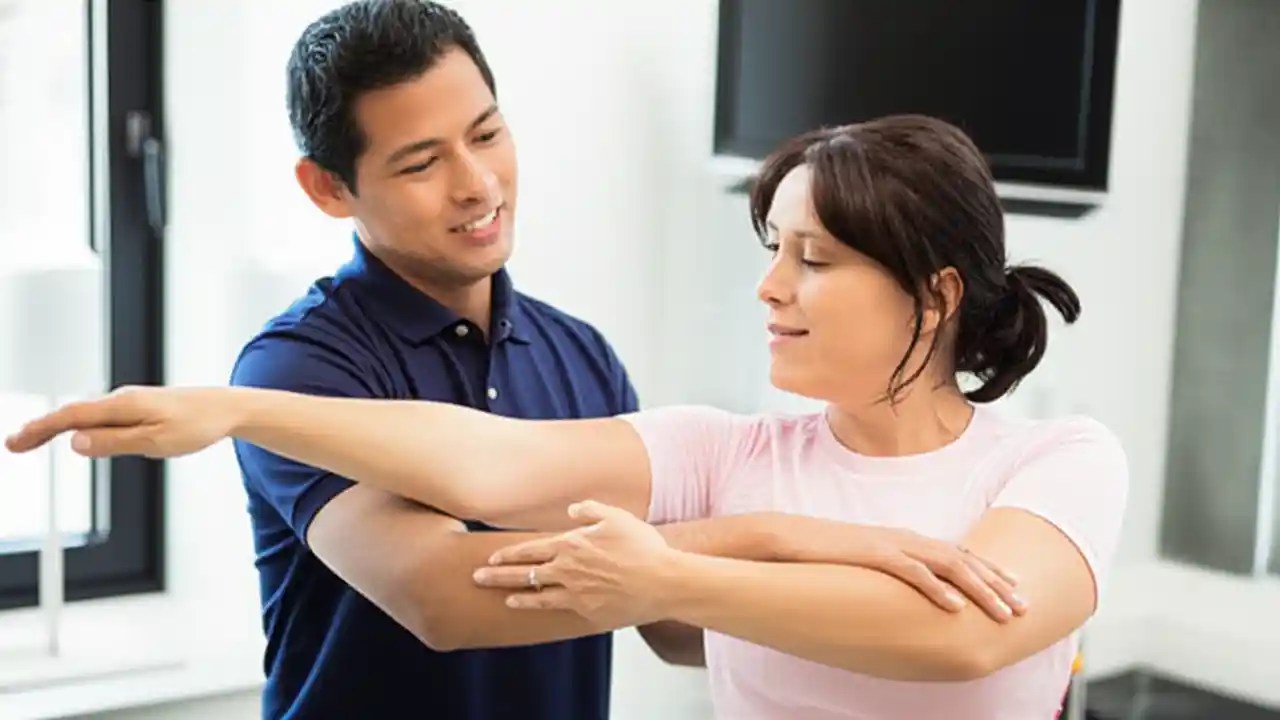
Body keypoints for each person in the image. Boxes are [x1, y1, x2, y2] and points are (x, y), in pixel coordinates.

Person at [6, 114, 1125, 720]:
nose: (767, 287)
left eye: (812, 259)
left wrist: (666, 577)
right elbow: (485, 465)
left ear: (931, 293)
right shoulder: (720, 449)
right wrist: (226, 406)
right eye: (769, 250)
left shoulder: (1057, 462)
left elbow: (962, 636)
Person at [121, 2, 1019, 719]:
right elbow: (445, 601)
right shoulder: (297, 371)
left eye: (486, 133)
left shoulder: (578, 354)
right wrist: (767, 537)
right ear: (329, 187)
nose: (477, 183)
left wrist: (895, 647)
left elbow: (669, 624)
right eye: (422, 162)